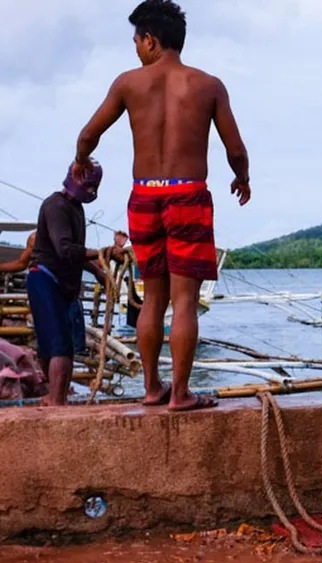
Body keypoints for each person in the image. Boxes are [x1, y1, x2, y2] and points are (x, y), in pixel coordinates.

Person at [72, 0, 250, 411]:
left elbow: (87, 135)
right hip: (188, 193)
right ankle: (181, 393)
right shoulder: (208, 85)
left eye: (136, 40)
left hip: (145, 193)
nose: (135, 48)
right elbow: (235, 150)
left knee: (151, 296)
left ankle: (153, 388)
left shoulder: (128, 84)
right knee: (185, 300)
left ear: (150, 40)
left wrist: (81, 163)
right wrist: (241, 179)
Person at [26, 162, 108, 405]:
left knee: (66, 345)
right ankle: (56, 400)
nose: (91, 191)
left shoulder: (76, 208)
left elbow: (75, 253)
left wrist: (98, 273)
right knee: (58, 344)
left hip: (64, 284)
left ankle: (56, 396)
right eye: (89, 185)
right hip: (45, 278)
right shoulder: (56, 206)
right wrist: (103, 253)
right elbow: (64, 250)